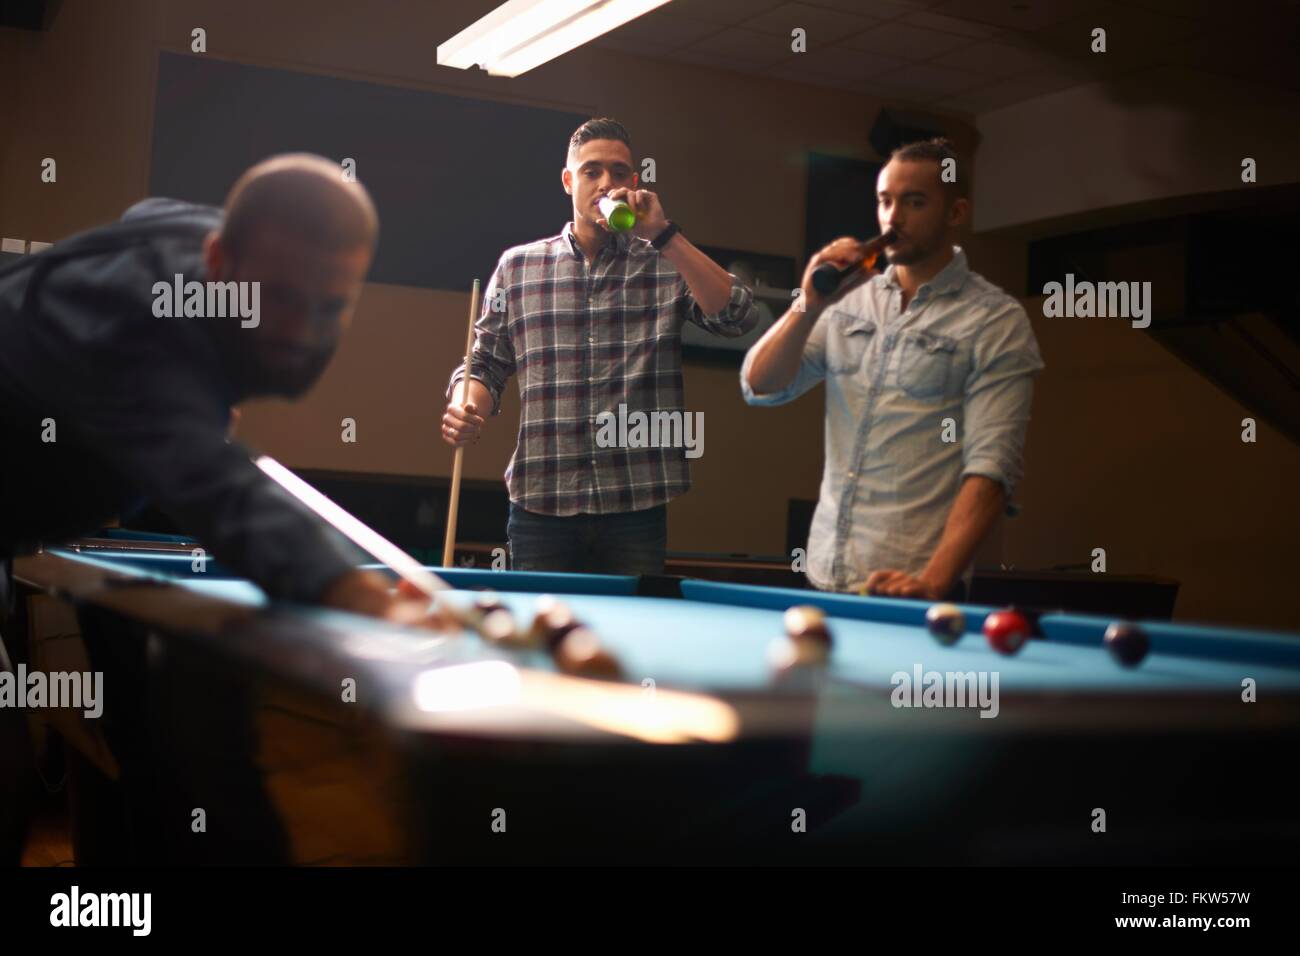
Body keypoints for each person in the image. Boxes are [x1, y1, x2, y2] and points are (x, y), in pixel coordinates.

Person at [0, 153, 438, 624]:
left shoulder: (203, 242)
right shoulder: (143, 336)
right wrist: (361, 595)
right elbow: (219, 489)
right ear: (216, 259)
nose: (302, 332)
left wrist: (196, 399)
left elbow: (148, 214)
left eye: (330, 308)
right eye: (281, 297)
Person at [442, 118, 758, 574]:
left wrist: (666, 235)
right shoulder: (518, 267)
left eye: (618, 172)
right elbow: (485, 361)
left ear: (634, 183)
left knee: (629, 643)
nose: (606, 182)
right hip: (541, 502)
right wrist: (464, 405)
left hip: (635, 504)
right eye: (592, 171)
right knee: (542, 638)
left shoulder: (665, 262)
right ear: (569, 181)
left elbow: (738, 317)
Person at [741, 138, 1044, 600]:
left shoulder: (995, 321)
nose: (893, 217)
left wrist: (934, 581)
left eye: (914, 202)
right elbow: (761, 386)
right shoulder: (848, 302)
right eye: (885, 201)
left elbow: (992, 468)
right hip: (824, 576)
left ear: (956, 212)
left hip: (913, 589)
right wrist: (809, 303)